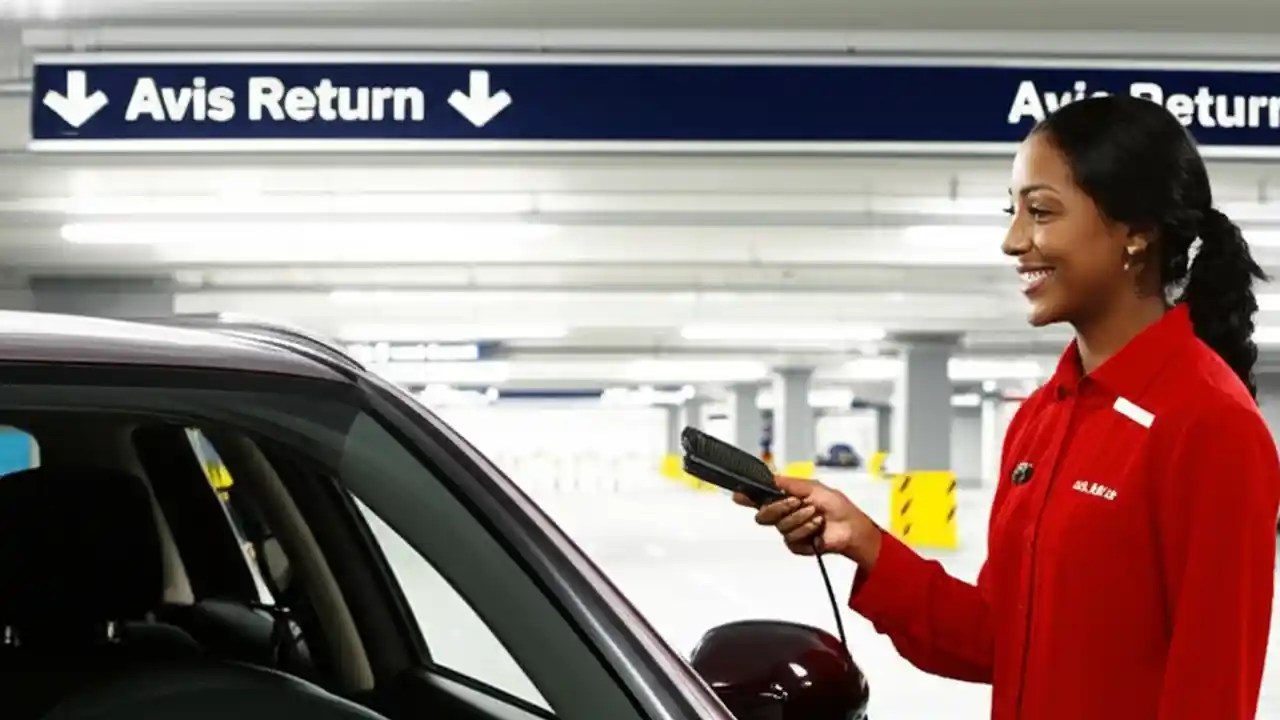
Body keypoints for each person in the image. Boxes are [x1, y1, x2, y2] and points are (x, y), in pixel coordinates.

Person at [739, 94, 1280, 720]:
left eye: (1041, 212)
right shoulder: (1041, 418)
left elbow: (1211, 694)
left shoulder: (1210, 423)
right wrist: (862, 540)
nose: (1012, 240)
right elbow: (994, 640)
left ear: (1137, 233)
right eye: (1013, 211)